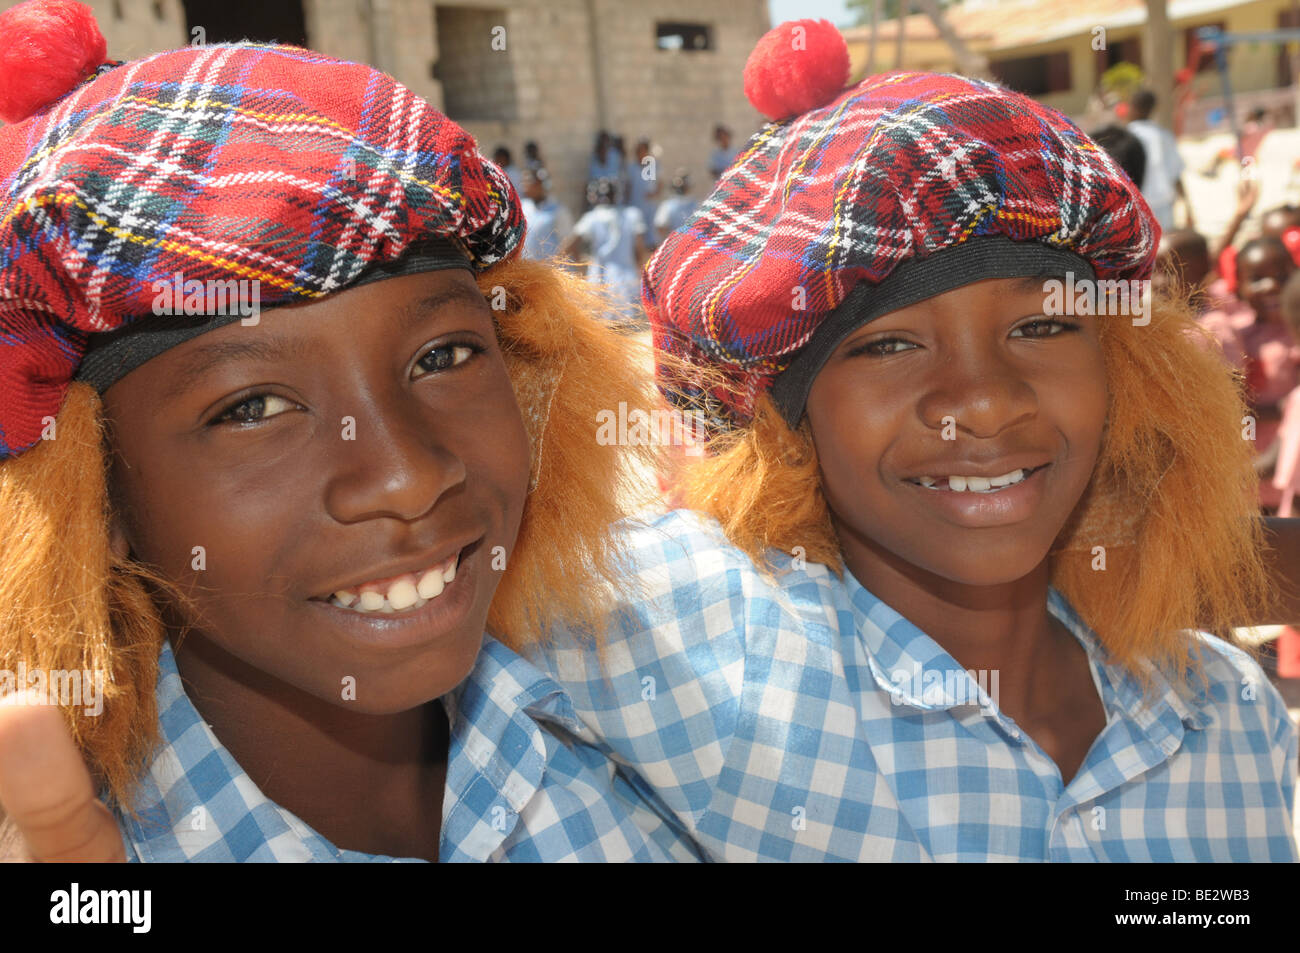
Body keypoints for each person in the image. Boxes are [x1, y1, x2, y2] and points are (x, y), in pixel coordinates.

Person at [532, 21, 1298, 861]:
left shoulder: (1230, 719)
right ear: (784, 429)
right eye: (888, 345)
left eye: (1042, 323)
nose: (984, 401)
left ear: (1127, 371)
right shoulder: (706, 661)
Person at [0, 0, 697, 864]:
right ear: (91, 492)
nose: (405, 475)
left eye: (442, 356)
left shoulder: (662, 708)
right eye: (252, 407)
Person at [1201, 236, 1300, 510]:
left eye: (1282, 275)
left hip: (1286, 455)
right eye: (1257, 278)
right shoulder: (1239, 332)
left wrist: (1264, 409)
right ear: (1239, 286)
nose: (1271, 285)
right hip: (1248, 460)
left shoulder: (1295, 338)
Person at [561, 178, 648, 324]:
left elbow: (569, 246)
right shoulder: (632, 214)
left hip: (598, 278)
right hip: (626, 279)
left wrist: (580, 269)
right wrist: (642, 271)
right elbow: (640, 248)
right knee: (627, 331)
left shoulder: (592, 217)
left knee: (603, 331)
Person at [1126, 89, 1192, 232]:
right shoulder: (1164, 135)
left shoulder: (1126, 136)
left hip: (1137, 205)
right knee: (1165, 249)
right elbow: (1176, 173)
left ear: (1133, 107)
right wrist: (1188, 206)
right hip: (1164, 203)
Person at [520, 168, 573, 261]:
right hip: (526, 269)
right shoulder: (523, 206)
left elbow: (568, 241)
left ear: (541, 184)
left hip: (549, 270)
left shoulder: (558, 210)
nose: (525, 186)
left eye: (530, 182)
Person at [626, 138, 661, 249]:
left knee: (651, 235)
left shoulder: (654, 165)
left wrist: (655, 193)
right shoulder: (631, 167)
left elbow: (660, 183)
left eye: (641, 150)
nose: (639, 153)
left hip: (650, 206)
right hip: (635, 203)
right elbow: (628, 185)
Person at [654, 169, 699, 239]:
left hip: (675, 245)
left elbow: (661, 227)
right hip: (690, 245)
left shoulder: (666, 205)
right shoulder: (697, 205)